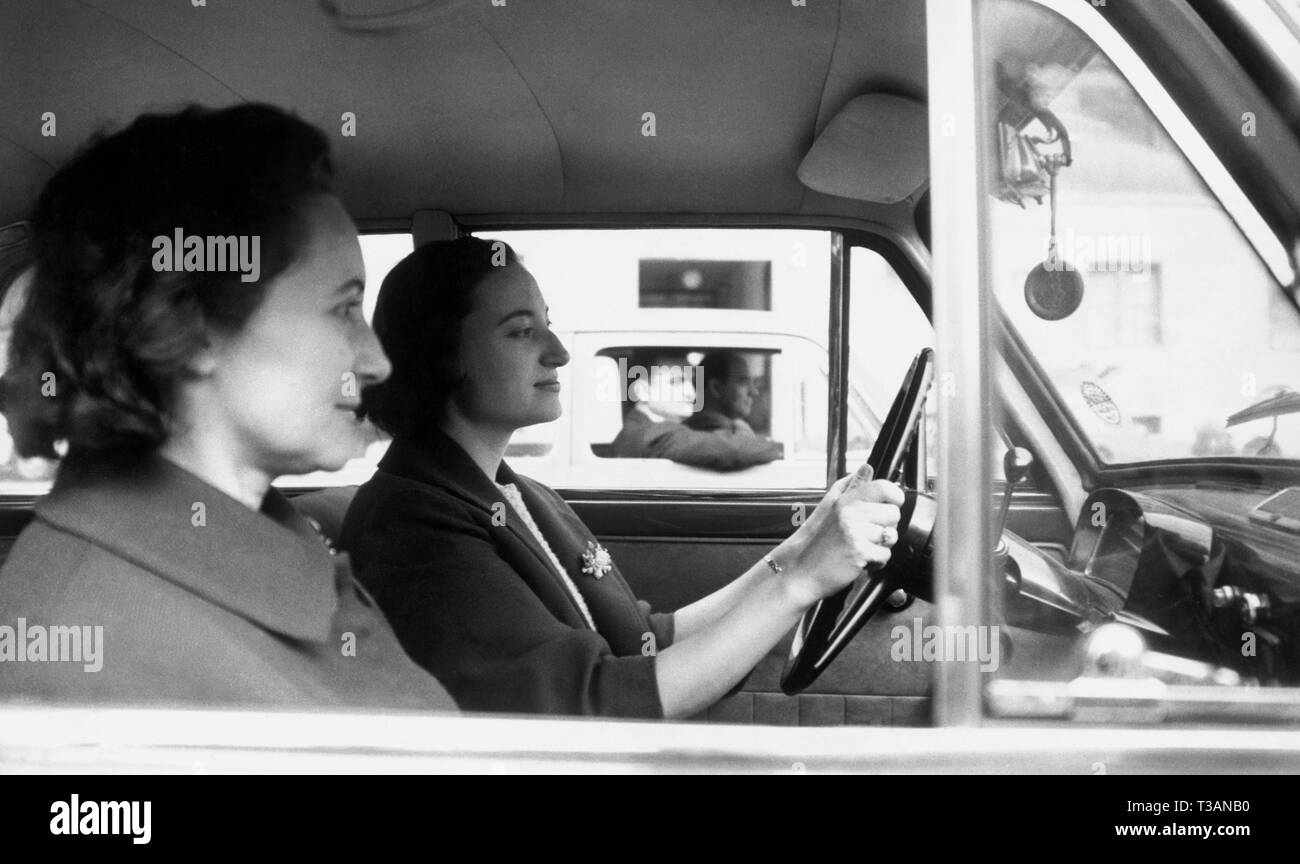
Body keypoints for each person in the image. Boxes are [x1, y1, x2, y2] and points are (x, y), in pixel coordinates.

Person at [0, 104, 456, 711]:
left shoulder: (243, 549)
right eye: (344, 308)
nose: (377, 363)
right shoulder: (85, 650)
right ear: (192, 330)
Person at [341, 238, 903, 719]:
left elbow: (649, 638)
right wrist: (799, 584)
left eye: (549, 326)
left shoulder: (519, 493)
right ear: (440, 355)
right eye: (521, 332)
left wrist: (804, 546)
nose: (558, 353)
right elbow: (596, 702)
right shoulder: (412, 525)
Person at [610, 350, 782, 471]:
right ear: (642, 390)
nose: (690, 391)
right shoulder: (647, 434)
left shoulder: (644, 427)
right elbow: (731, 450)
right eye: (676, 381)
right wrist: (780, 449)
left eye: (691, 381)